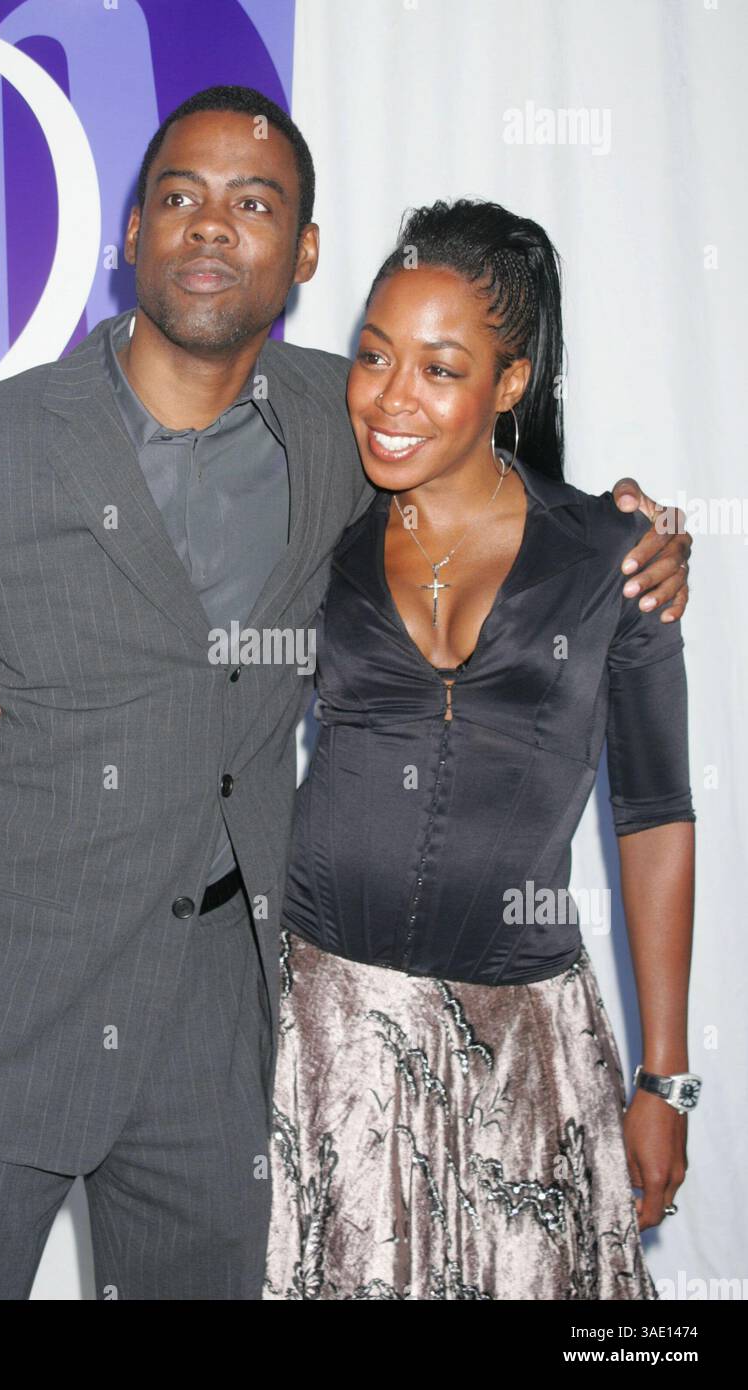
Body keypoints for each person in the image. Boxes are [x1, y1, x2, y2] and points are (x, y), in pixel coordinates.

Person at [0, 84, 691, 1302]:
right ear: (130, 233)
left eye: (253, 202)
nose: (212, 226)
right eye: (181, 197)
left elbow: (486, 472)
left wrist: (630, 528)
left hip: (229, 1042)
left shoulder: (353, 418)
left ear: (305, 252)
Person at [259, 200, 697, 1301]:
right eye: (372, 355)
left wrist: (667, 1078)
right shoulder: (321, 537)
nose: (389, 397)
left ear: (509, 384)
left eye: (439, 369)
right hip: (321, 1038)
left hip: (525, 1052)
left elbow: (654, 815)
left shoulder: (612, 556)